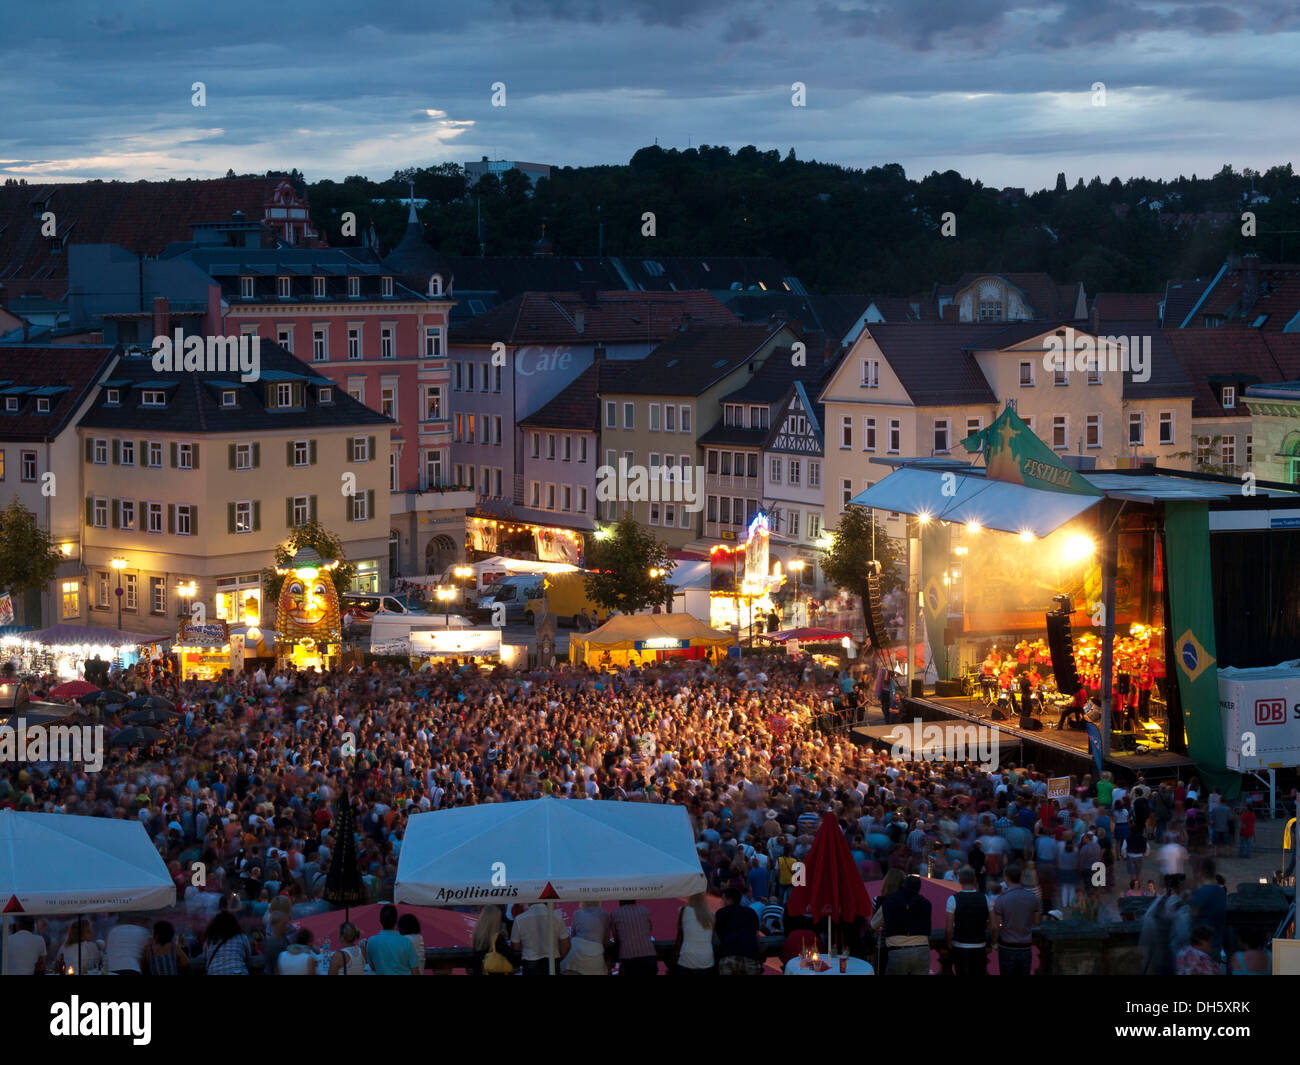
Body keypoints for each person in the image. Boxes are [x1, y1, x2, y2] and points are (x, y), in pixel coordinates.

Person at [873, 874, 932, 975]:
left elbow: (874, 925)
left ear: (903, 885)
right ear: (919, 888)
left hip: (898, 951)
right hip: (922, 950)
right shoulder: (926, 903)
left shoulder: (888, 903)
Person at [991, 864, 1038, 976]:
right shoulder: (1032, 898)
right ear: (1021, 877)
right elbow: (1036, 921)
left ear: (1006, 878)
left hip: (1007, 946)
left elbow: (996, 926)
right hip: (1025, 946)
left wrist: (994, 942)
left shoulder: (1001, 900)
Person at [945, 866, 990, 976]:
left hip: (960, 946)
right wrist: (993, 941)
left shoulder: (953, 899)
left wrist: (948, 942)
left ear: (959, 880)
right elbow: (993, 926)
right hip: (980, 946)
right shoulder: (985, 898)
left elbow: (949, 929)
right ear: (975, 880)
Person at [510, 902, 570, 975]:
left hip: (530, 960)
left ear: (529, 901)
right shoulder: (557, 917)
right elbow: (566, 944)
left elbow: (515, 946)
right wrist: (559, 958)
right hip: (552, 960)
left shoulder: (519, 919)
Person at [714, 887, 763, 975]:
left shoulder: (721, 913)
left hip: (728, 955)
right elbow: (757, 935)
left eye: (723, 899)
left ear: (728, 899)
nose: (721, 902)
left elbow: (718, 935)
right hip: (750, 956)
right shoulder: (751, 912)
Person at [1187, 858, 1227, 958]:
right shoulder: (1221, 891)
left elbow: (1191, 915)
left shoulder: (1201, 892)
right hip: (1216, 943)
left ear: (1203, 872)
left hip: (1201, 946)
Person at [366, 904, 421, 975]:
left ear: (380, 921)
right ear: (396, 922)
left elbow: (373, 967)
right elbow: (415, 971)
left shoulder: (371, 942)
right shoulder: (406, 942)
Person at [609, 898, 658, 975]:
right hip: (650, 957)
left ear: (620, 900)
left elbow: (616, 937)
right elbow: (649, 929)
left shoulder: (615, 913)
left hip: (629, 960)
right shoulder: (644, 910)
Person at [672, 893, 716, 975]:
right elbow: (712, 938)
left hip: (687, 959)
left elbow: (680, 930)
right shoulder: (711, 915)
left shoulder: (683, 911)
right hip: (707, 960)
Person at [564, 901, 610, 975]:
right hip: (596, 954)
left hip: (576, 952)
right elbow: (606, 941)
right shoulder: (604, 914)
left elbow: (573, 935)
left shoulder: (577, 913)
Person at [470, 906, 515, 976]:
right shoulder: (497, 938)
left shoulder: (477, 933)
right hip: (494, 970)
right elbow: (510, 956)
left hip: (479, 969)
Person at [201, 911, 250, 975]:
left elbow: (205, 956)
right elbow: (248, 954)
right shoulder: (241, 937)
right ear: (234, 924)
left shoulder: (210, 939)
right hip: (238, 972)